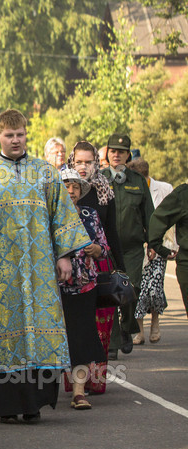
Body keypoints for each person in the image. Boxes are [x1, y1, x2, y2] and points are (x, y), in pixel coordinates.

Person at [0, 110, 89, 423]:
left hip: (40, 268)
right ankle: (7, 407)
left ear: (26, 134)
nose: (15, 140)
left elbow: (61, 215)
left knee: (39, 328)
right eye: (9, 135)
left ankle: (35, 404)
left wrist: (64, 256)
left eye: (20, 134)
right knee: (3, 330)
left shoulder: (45, 172)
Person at [67, 140, 123, 388]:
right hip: (67, 270)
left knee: (100, 325)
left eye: (88, 162)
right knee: (74, 326)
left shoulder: (104, 190)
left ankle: (95, 381)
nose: (83, 167)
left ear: (97, 163)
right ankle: (74, 384)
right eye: (78, 162)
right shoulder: (62, 188)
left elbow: (111, 232)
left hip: (98, 265)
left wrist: (120, 268)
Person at [57, 167, 109, 411]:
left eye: (75, 187)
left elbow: (104, 247)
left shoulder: (90, 214)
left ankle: (79, 392)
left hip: (86, 285)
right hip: (54, 288)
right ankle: (44, 391)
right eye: (66, 186)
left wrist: (97, 250)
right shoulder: (47, 214)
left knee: (83, 337)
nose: (71, 191)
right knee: (58, 337)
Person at [102, 134, 154, 353]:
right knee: (110, 293)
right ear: (107, 153)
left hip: (132, 248)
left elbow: (149, 214)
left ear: (128, 155)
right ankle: (113, 343)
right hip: (106, 248)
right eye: (113, 151)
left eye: (121, 152)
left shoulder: (137, 180)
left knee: (131, 290)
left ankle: (126, 327)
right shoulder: (100, 178)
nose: (116, 155)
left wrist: (153, 243)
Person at [127, 158, 172, 343]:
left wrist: (172, 245)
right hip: (138, 245)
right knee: (138, 288)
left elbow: (173, 218)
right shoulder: (128, 189)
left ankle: (155, 322)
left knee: (154, 288)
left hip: (159, 245)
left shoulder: (164, 189)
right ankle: (140, 331)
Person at [148, 183, 188, 318]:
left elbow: (159, 218)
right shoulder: (183, 195)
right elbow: (159, 218)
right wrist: (159, 247)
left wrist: (158, 246)